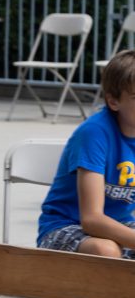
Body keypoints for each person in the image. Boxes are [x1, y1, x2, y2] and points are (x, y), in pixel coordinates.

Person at [38, 49, 135, 260]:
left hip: (119, 227)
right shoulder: (95, 133)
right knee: (107, 251)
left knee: (112, 248)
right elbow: (91, 219)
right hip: (66, 227)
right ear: (114, 101)